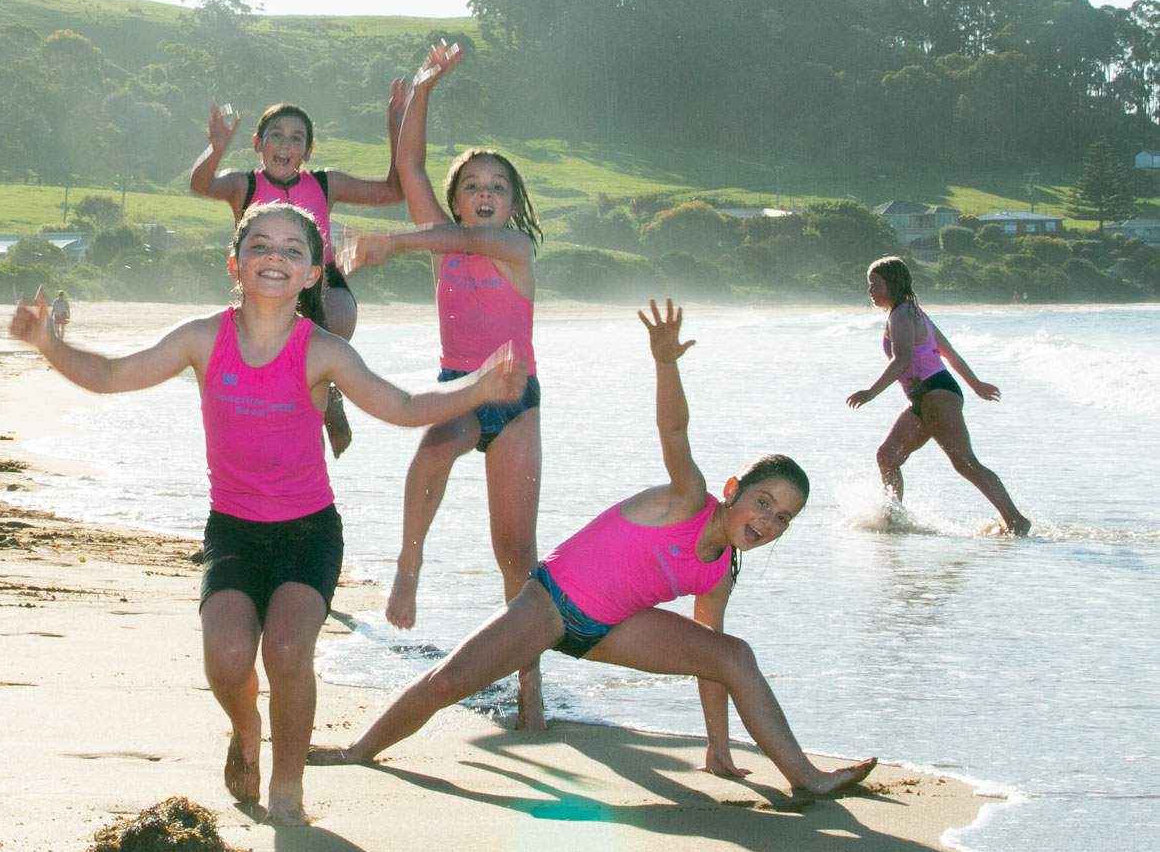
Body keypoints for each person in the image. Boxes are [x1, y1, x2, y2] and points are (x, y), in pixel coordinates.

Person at [8, 202, 526, 825]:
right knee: (226, 660)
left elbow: (404, 403)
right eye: (259, 245)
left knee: (286, 650)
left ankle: (288, 786)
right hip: (232, 532)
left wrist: (478, 387)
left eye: (292, 249)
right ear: (235, 263)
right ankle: (246, 724)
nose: (274, 256)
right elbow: (114, 373)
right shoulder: (204, 338)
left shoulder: (323, 352)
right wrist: (48, 342)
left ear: (312, 275)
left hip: (309, 532)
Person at [309, 300, 878, 800]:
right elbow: (675, 432)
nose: (768, 520)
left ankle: (804, 776)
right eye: (763, 502)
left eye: (783, 518)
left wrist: (718, 745)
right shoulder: (687, 499)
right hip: (550, 604)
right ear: (733, 492)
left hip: (610, 630)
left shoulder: (718, 572)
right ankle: (360, 750)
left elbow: (712, 662)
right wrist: (666, 363)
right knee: (451, 682)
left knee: (734, 655)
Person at [339, 41, 546, 729]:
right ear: (457, 197)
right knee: (432, 450)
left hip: (515, 401)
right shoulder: (444, 235)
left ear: (512, 204)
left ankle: (530, 679)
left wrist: (390, 243)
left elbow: (456, 243)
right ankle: (408, 564)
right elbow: (409, 167)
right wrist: (423, 89)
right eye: (473, 186)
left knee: (515, 554)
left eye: (497, 187)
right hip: (462, 388)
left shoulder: (515, 249)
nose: (484, 195)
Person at [187, 84, 407, 457]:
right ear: (258, 143)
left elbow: (392, 191)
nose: (286, 146)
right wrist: (217, 146)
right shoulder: (245, 185)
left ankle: (324, 389)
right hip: (264, 297)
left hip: (324, 294)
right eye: (276, 136)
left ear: (308, 150)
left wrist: (396, 124)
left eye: (296, 139)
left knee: (303, 377)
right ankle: (311, 406)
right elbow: (201, 184)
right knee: (271, 399)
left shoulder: (325, 183)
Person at [847, 256, 1030, 535]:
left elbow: (902, 360)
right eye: (869, 285)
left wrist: (871, 392)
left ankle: (1015, 519)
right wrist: (975, 384)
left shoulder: (902, 314)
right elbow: (948, 352)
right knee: (887, 456)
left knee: (965, 462)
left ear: (893, 283)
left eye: (876, 284)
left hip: (936, 392)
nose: (871, 291)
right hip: (928, 395)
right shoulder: (913, 312)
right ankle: (893, 517)